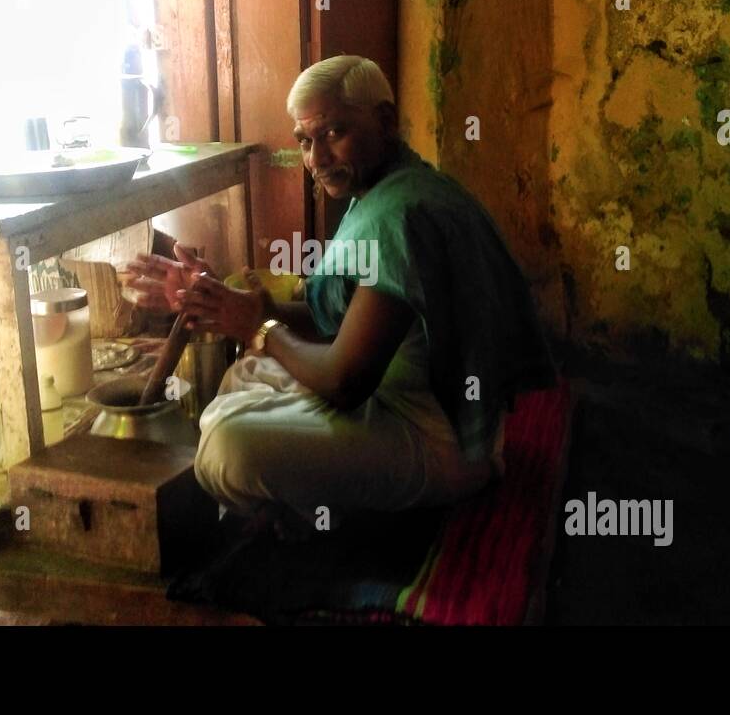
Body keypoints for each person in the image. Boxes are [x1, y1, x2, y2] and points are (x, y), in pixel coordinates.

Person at [126, 55, 556, 539]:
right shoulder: (388, 191)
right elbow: (336, 319)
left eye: (333, 133)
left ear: (385, 122)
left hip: (435, 437)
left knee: (226, 448)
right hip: (399, 399)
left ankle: (342, 515)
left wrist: (257, 328)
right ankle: (317, 499)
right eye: (305, 141)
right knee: (250, 372)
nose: (317, 158)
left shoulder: (398, 217)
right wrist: (225, 302)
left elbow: (345, 382)